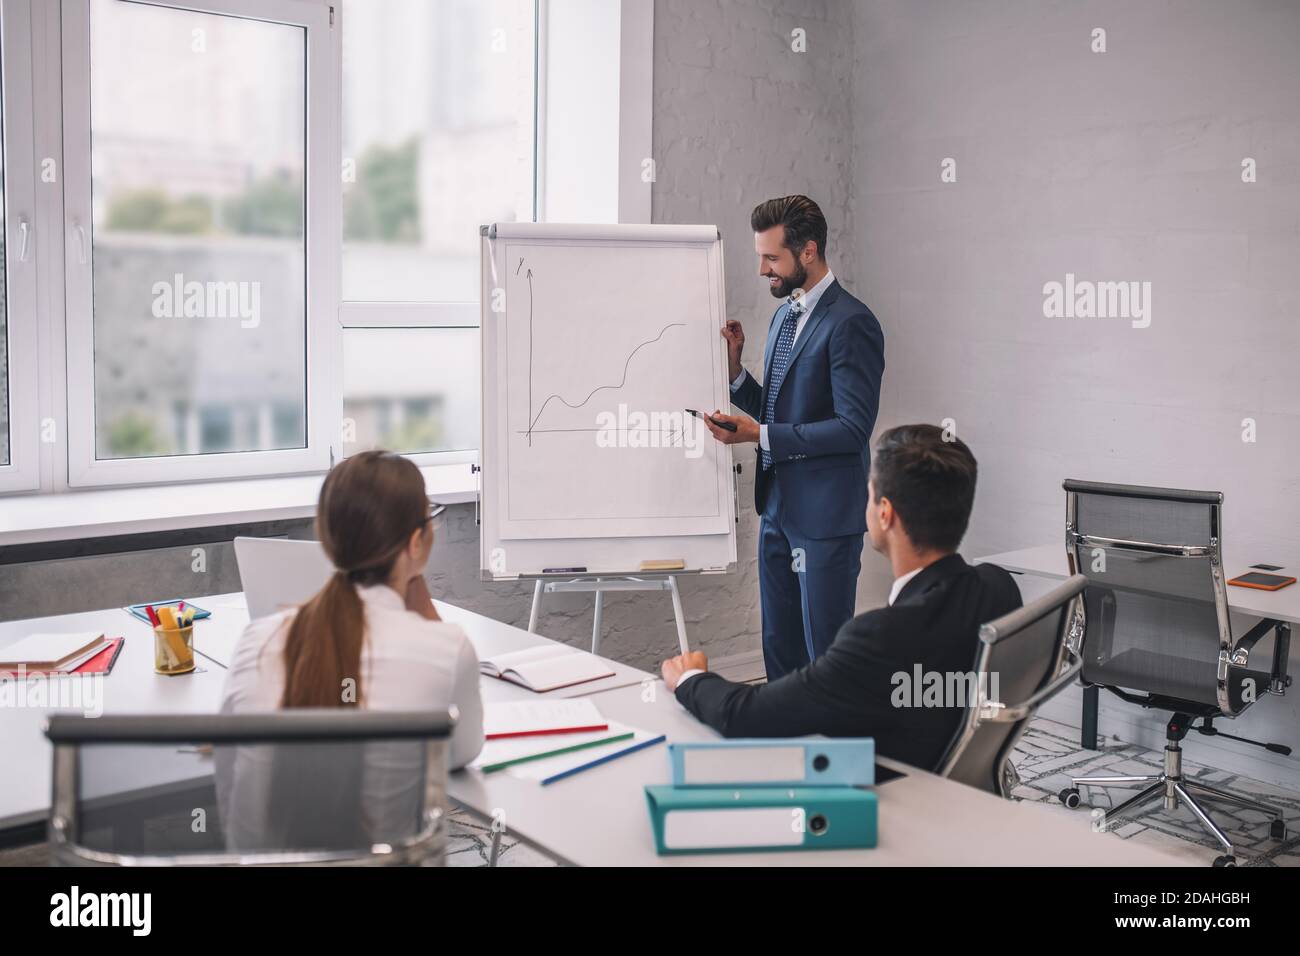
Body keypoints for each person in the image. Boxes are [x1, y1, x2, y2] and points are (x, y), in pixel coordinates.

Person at [661, 424, 1021, 771]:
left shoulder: (878, 637)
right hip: (961, 788)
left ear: (884, 513)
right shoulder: (999, 587)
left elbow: (744, 717)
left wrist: (691, 678)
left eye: (867, 492)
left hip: (894, 801)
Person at [217, 450, 483, 849]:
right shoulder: (446, 650)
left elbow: (229, 790)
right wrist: (425, 609)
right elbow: (459, 755)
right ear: (416, 542)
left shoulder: (257, 640)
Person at [704, 195, 885, 680]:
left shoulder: (853, 323)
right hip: (777, 508)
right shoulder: (785, 315)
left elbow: (852, 429)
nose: (763, 270)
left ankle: (830, 753)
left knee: (824, 655)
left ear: (808, 252)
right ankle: (784, 746)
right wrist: (737, 372)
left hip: (825, 517)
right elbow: (782, 411)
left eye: (771, 258)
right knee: (779, 647)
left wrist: (758, 435)